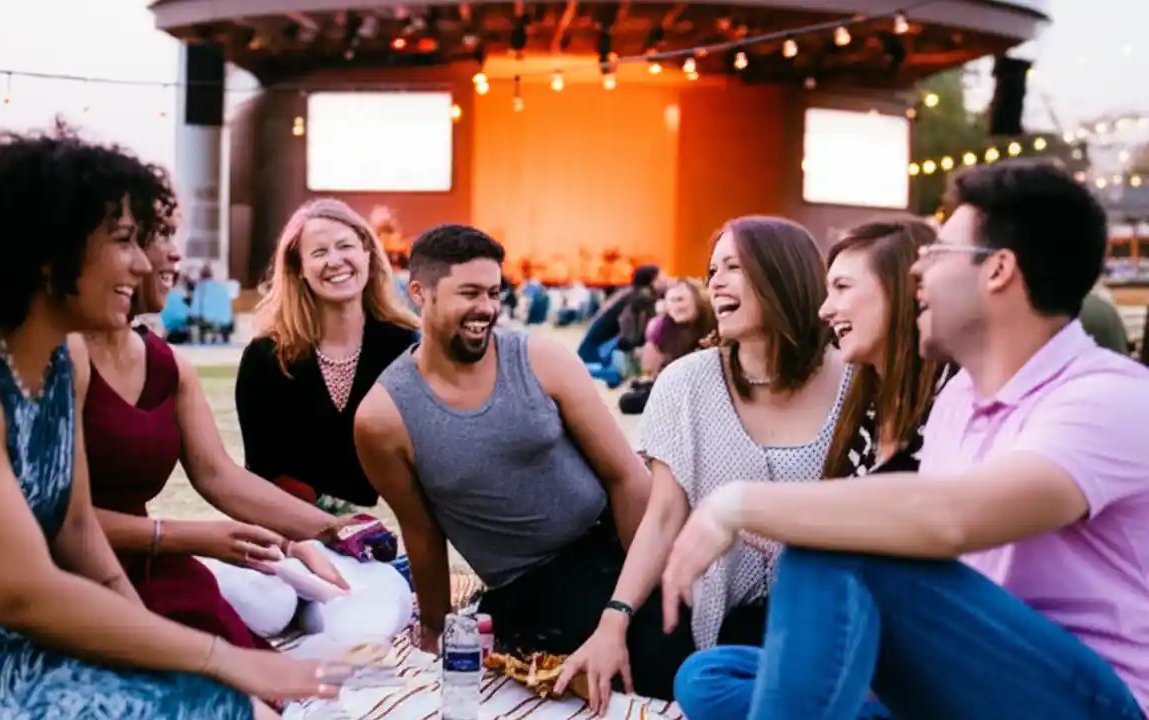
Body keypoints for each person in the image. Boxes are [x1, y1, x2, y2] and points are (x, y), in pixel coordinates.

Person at [0, 127, 333, 719]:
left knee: (233, 704)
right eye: (123, 240)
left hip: (11, 644)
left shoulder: (56, 359)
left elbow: (77, 529)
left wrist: (164, 650)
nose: (142, 262)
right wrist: (213, 656)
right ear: (47, 253)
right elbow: (25, 593)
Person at [662, 161, 1149, 719]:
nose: (918, 271)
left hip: (1092, 702)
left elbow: (955, 518)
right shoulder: (958, 402)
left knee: (834, 546)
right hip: (969, 681)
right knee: (709, 674)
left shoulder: (1109, 397)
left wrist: (739, 504)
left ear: (999, 271)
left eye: (938, 253)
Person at [353, 224, 690, 701]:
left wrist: (645, 588)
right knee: (663, 665)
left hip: (616, 537)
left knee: (720, 623)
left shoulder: (541, 360)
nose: (487, 308)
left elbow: (626, 477)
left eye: (493, 292)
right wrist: (432, 633)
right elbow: (423, 534)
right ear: (419, 294)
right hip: (532, 584)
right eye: (469, 292)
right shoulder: (384, 417)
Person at [553, 216, 850, 713]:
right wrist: (615, 618)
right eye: (712, 269)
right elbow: (664, 514)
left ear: (784, 274)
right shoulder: (685, 381)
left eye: (734, 266)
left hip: (821, 607)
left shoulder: (855, 382)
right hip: (704, 604)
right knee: (644, 669)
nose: (715, 281)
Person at [672, 216, 950, 719]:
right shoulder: (868, 403)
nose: (827, 309)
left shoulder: (950, 403)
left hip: (921, 645)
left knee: (812, 569)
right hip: (861, 638)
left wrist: (750, 511)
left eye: (842, 287)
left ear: (901, 291)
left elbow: (933, 529)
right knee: (703, 675)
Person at [77, 196, 351, 652]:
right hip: (70, 572)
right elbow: (52, 522)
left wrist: (328, 530)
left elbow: (219, 476)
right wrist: (193, 537)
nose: (174, 253)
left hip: (149, 568)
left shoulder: (170, 366)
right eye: (156, 235)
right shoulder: (61, 357)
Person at [235, 198, 420, 514]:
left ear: (367, 253)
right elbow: (262, 474)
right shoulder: (266, 357)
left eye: (345, 246)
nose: (335, 261)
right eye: (319, 252)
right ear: (300, 269)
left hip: (385, 532)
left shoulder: (405, 347)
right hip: (290, 531)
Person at [618, 277, 716, 414]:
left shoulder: (714, 322)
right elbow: (649, 370)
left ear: (698, 299)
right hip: (676, 387)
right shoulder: (662, 326)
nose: (675, 306)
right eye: (671, 301)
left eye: (680, 300)